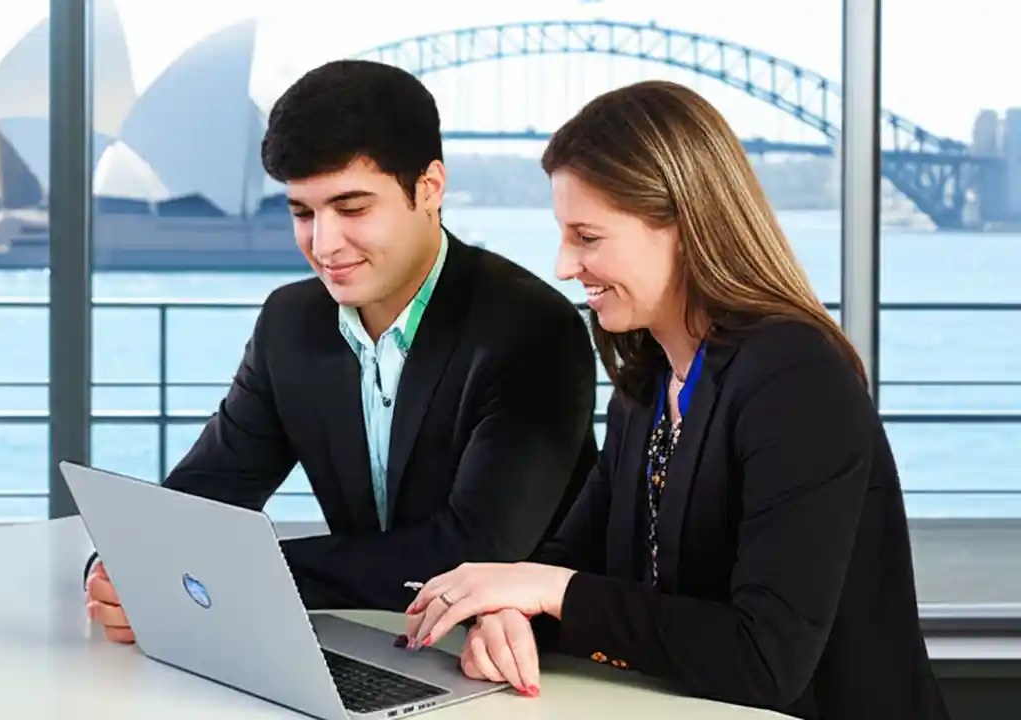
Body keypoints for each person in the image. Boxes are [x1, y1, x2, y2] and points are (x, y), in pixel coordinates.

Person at [402, 80, 949, 719]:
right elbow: (570, 568)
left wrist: (548, 590)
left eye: (587, 236)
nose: (563, 265)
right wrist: (507, 612)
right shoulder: (645, 390)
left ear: (683, 228)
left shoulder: (799, 380)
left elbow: (765, 661)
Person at [84, 59, 598, 644]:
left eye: (352, 209)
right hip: (376, 640)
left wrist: (233, 577)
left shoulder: (532, 328)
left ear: (429, 188)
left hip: (529, 659)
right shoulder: (290, 323)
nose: (324, 244)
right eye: (302, 213)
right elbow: (203, 498)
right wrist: (123, 569)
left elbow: (473, 551)